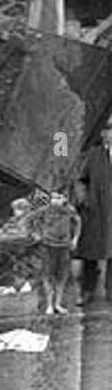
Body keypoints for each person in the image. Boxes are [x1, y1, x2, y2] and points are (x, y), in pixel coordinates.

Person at [75, 117, 112, 304]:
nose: (111, 134)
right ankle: (86, 291)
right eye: (108, 131)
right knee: (90, 254)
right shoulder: (94, 155)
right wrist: (85, 199)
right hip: (95, 212)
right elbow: (81, 180)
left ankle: (110, 292)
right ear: (103, 135)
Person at [33, 189, 82, 315]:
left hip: (64, 247)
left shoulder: (69, 210)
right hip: (48, 246)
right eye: (53, 197)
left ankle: (58, 304)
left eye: (59, 197)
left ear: (65, 198)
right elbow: (33, 220)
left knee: (62, 276)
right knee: (48, 275)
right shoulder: (44, 210)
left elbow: (78, 221)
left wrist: (75, 239)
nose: (56, 200)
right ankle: (49, 304)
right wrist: (37, 234)